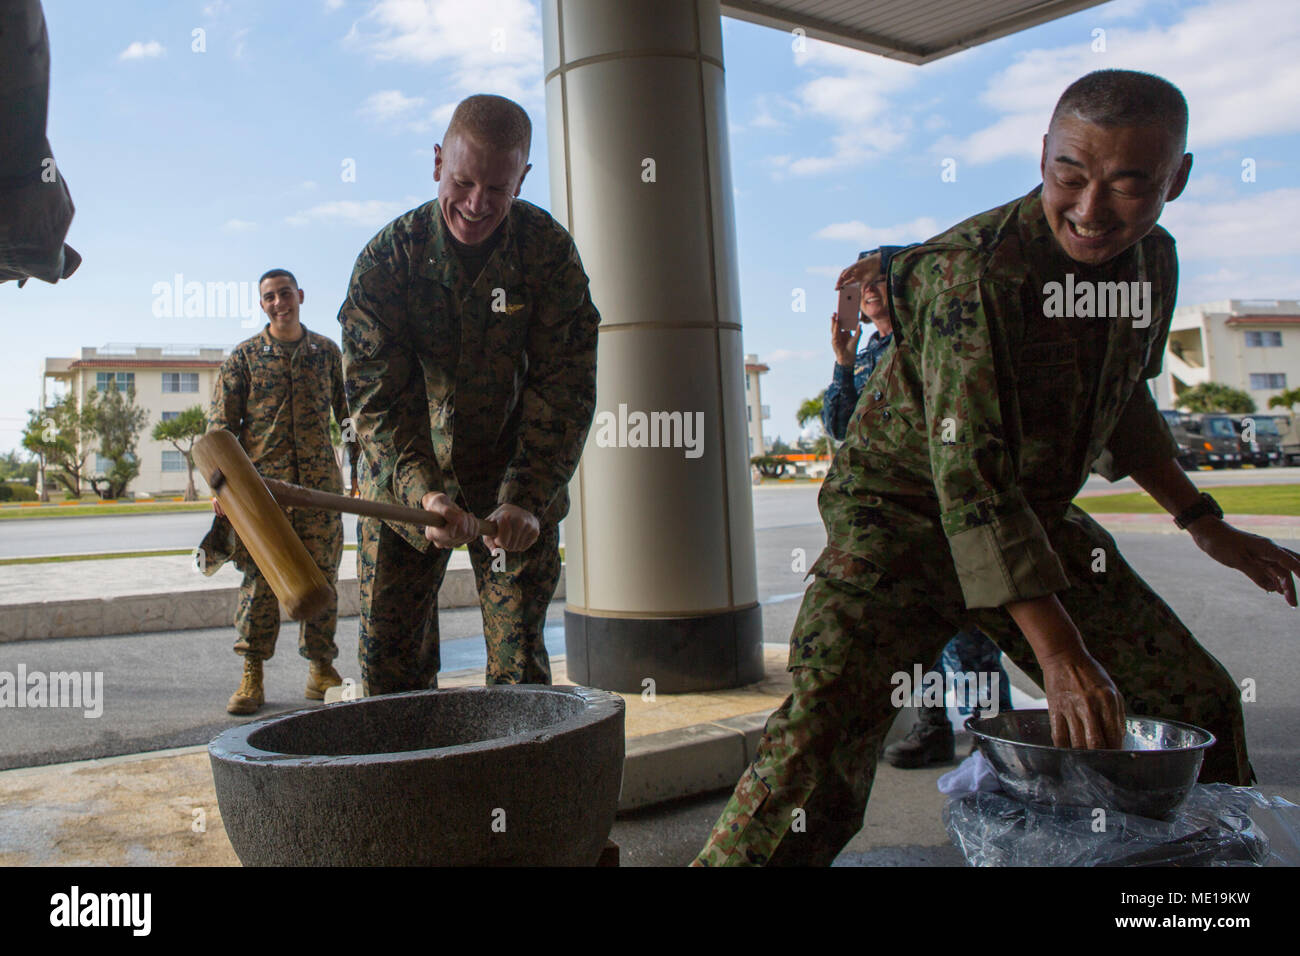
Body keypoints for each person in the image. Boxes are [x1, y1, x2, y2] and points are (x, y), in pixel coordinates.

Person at [695, 69, 1300, 866]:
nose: (1090, 212)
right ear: (1042, 155)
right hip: (902, 522)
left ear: (1176, 179)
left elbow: (1125, 401)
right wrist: (1060, 655)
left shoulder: (1151, 263)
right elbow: (967, 478)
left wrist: (1202, 520)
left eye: (1128, 185)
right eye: (1070, 177)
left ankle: (1192, 888)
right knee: (816, 749)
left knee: (1193, 700)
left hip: (1029, 521)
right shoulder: (974, 272)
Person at [337, 94, 600, 695]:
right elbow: (375, 400)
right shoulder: (387, 260)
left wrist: (527, 496)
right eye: (462, 181)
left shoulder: (548, 254)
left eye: (497, 189)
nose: (477, 205)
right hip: (405, 494)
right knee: (390, 669)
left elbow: (565, 384)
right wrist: (421, 492)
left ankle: (510, 788)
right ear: (436, 162)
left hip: (512, 490)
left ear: (523, 178)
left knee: (519, 675)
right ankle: (403, 787)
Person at [825, 246, 1013, 768]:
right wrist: (843, 365)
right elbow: (840, 427)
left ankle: (997, 744)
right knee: (913, 632)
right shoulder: (864, 355)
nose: (868, 292)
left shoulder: (926, 336)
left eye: (878, 280)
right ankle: (933, 729)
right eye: (858, 287)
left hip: (943, 503)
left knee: (970, 635)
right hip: (893, 513)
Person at [199, 268, 358, 715]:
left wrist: (360, 466)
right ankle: (252, 674)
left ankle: (322, 670)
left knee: (323, 576)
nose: (278, 302)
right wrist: (221, 485)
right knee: (259, 579)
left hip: (319, 489)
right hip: (259, 494)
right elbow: (220, 428)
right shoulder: (245, 358)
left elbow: (350, 419)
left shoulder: (326, 354)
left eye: (284, 293)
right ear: (262, 304)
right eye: (269, 297)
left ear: (300, 295)